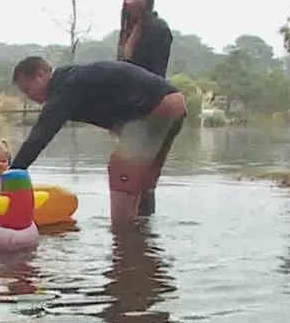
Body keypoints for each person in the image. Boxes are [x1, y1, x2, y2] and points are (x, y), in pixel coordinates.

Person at [9, 56, 186, 228]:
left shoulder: (63, 86)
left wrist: (11, 176)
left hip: (156, 108)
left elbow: (41, 134)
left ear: (41, 75)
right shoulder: (72, 79)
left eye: (27, 90)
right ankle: (141, 241)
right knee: (139, 182)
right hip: (173, 105)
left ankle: (122, 239)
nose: (29, 96)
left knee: (120, 172)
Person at [117, 0, 173, 216]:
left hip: (153, 108)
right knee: (132, 177)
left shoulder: (158, 29)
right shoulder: (128, 31)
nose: (129, 2)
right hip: (132, 111)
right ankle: (136, 239)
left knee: (145, 178)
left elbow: (152, 74)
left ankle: (141, 234)